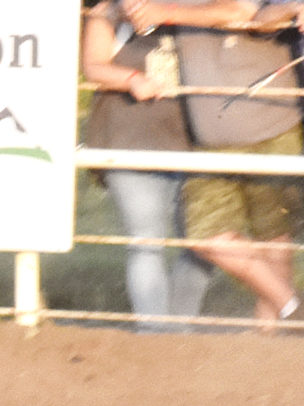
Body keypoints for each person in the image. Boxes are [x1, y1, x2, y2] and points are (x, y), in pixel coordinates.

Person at [125, 0, 301, 325]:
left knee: (275, 240)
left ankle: (271, 347)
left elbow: (245, 13)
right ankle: (293, 310)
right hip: (210, 140)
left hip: (273, 127)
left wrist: (165, 13)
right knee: (207, 236)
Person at [83, 0, 214, 330]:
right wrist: (131, 79)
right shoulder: (109, 13)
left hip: (187, 140)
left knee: (204, 242)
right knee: (147, 241)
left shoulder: (192, 10)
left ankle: (177, 329)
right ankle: (155, 333)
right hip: (128, 139)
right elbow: (93, 66)